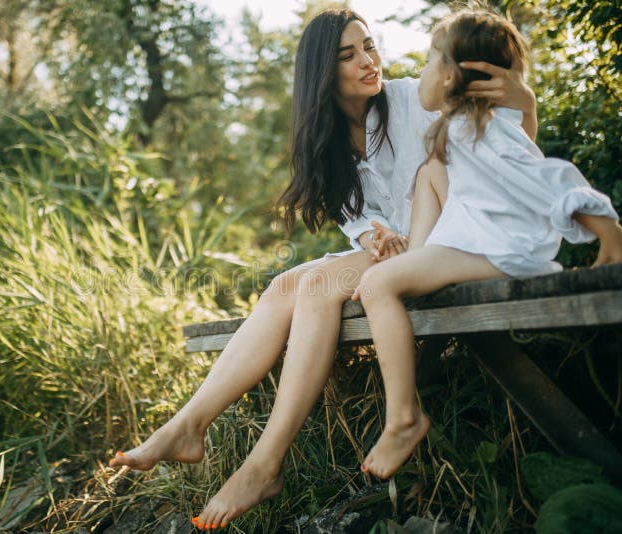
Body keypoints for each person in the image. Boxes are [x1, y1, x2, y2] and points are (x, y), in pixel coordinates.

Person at [108, 8, 538, 531]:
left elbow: (508, 155)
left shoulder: (413, 100)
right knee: (285, 285)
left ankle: (265, 463)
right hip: (400, 253)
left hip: (448, 245)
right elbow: (362, 225)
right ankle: (189, 425)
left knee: (315, 284)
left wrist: (526, 104)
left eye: (370, 46)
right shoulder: (326, 143)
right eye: (348, 55)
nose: (369, 61)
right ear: (322, 73)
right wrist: (375, 237)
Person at [353, 9, 622, 481]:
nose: (422, 71)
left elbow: (543, 175)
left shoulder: (477, 129)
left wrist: (608, 230)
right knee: (423, 185)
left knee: (376, 286)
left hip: (493, 252)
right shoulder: (457, 130)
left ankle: (404, 418)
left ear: (454, 76)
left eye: (431, 59)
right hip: (476, 244)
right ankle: (406, 277)